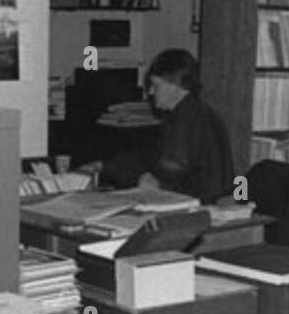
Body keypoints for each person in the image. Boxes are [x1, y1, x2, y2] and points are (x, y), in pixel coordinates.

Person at [99, 49, 235, 203]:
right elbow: (151, 156)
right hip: (208, 202)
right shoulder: (198, 113)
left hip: (198, 207)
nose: (150, 91)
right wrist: (106, 166)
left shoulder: (185, 119)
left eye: (156, 85)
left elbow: (168, 173)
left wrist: (127, 174)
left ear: (175, 85)